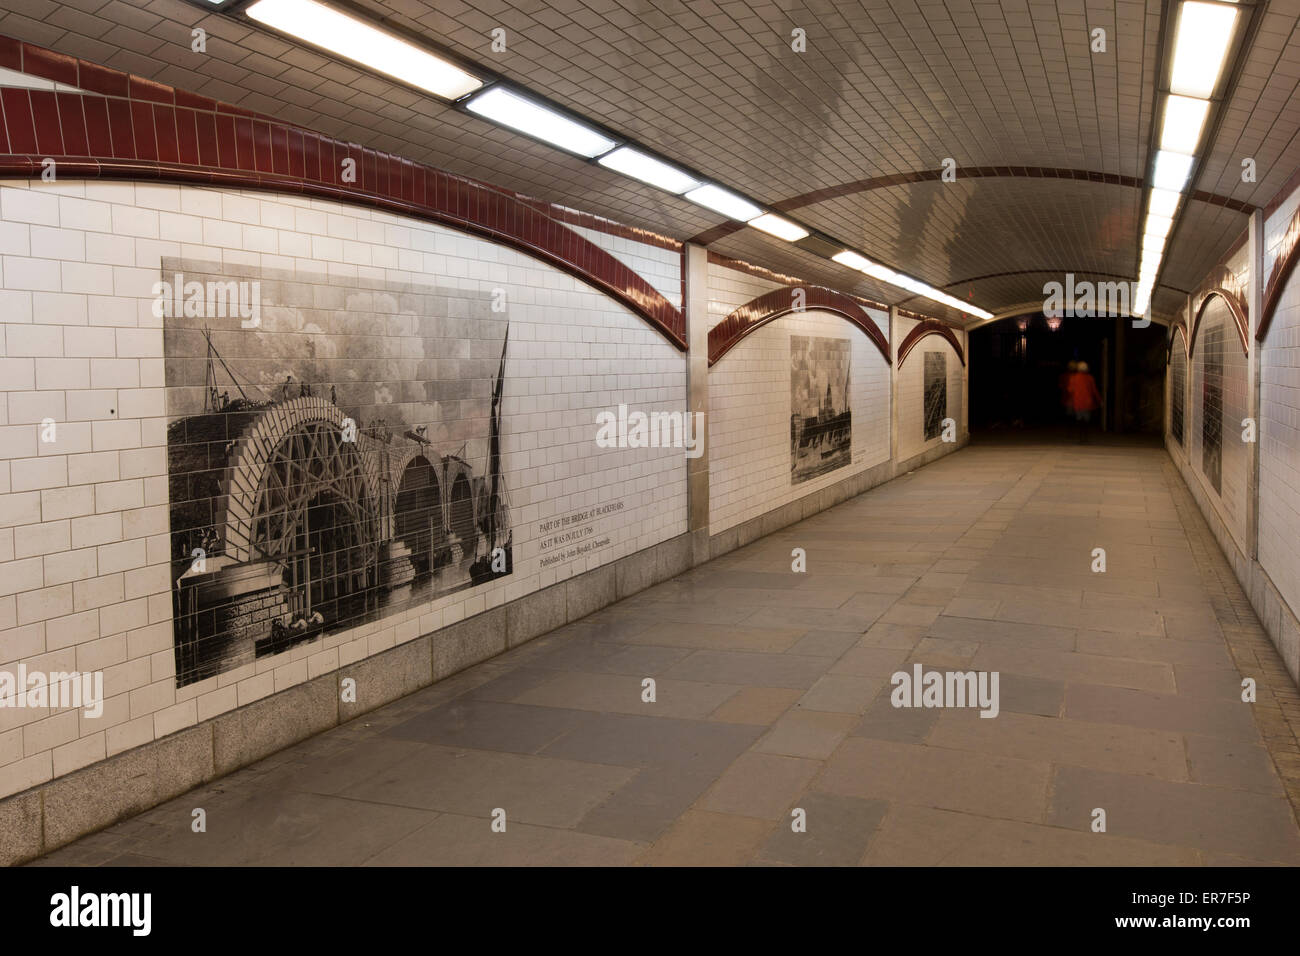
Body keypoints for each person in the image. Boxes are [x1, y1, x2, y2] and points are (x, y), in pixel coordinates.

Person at [1066, 361, 1103, 443]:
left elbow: (1070, 390)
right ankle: (1085, 437)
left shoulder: (1074, 378)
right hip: (1087, 402)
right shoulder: (1090, 378)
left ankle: (1080, 437)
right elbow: (1094, 390)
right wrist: (1099, 400)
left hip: (1078, 401)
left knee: (1079, 419)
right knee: (1086, 420)